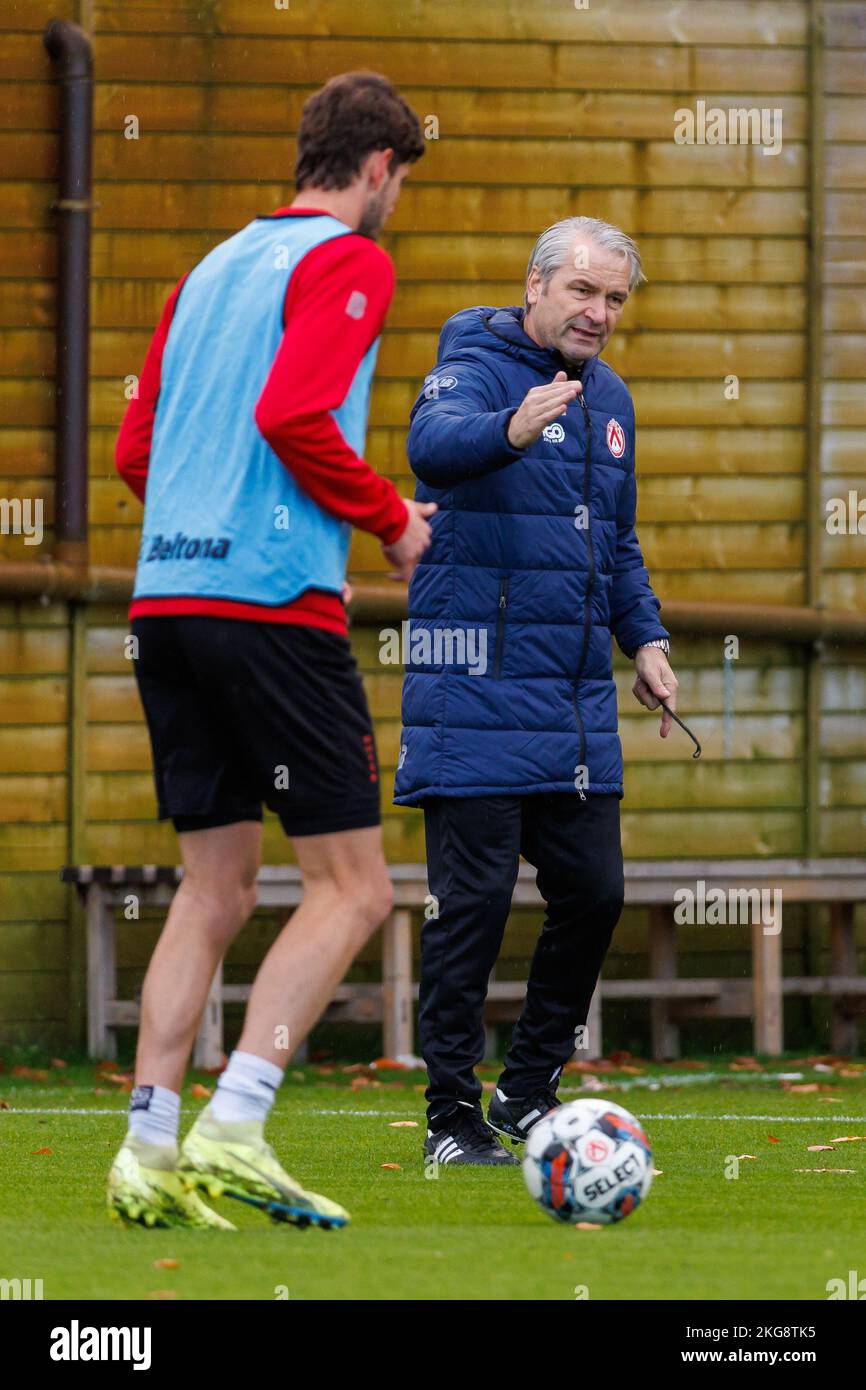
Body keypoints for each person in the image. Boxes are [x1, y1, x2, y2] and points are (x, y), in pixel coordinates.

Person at [108, 71, 433, 1229]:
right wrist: (391, 520)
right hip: (270, 607)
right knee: (354, 887)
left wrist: (203, 519)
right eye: (399, 179)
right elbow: (295, 417)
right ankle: (238, 1120)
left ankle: (147, 1147)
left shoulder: (202, 272)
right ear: (380, 167)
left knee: (213, 886)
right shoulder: (347, 260)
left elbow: (134, 450)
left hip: (165, 605)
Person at [394, 216, 677, 1166]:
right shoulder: (470, 364)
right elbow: (432, 446)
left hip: (571, 705)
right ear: (536, 285)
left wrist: (646, 638)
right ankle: (448, 1117)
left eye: (615, 299)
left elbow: (617, 541)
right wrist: (510, 429)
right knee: (469, 909)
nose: (598, 314)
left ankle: (528, 1093)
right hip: (471, 688)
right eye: (584, 292)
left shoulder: (614, 403)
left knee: (596, 894)